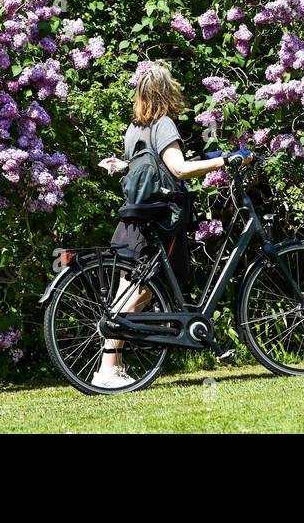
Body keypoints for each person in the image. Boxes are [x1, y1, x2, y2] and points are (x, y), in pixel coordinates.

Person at [93, 60, 228, 389]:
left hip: (135, 219)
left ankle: (111, 368)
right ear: (164, 91)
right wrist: (225, 159)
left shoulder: (133, 128)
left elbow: (141, 167)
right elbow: (178, 169)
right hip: (161, 221)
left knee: (130, 290)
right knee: (146, 289)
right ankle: (109, 365)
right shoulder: (163, 124)